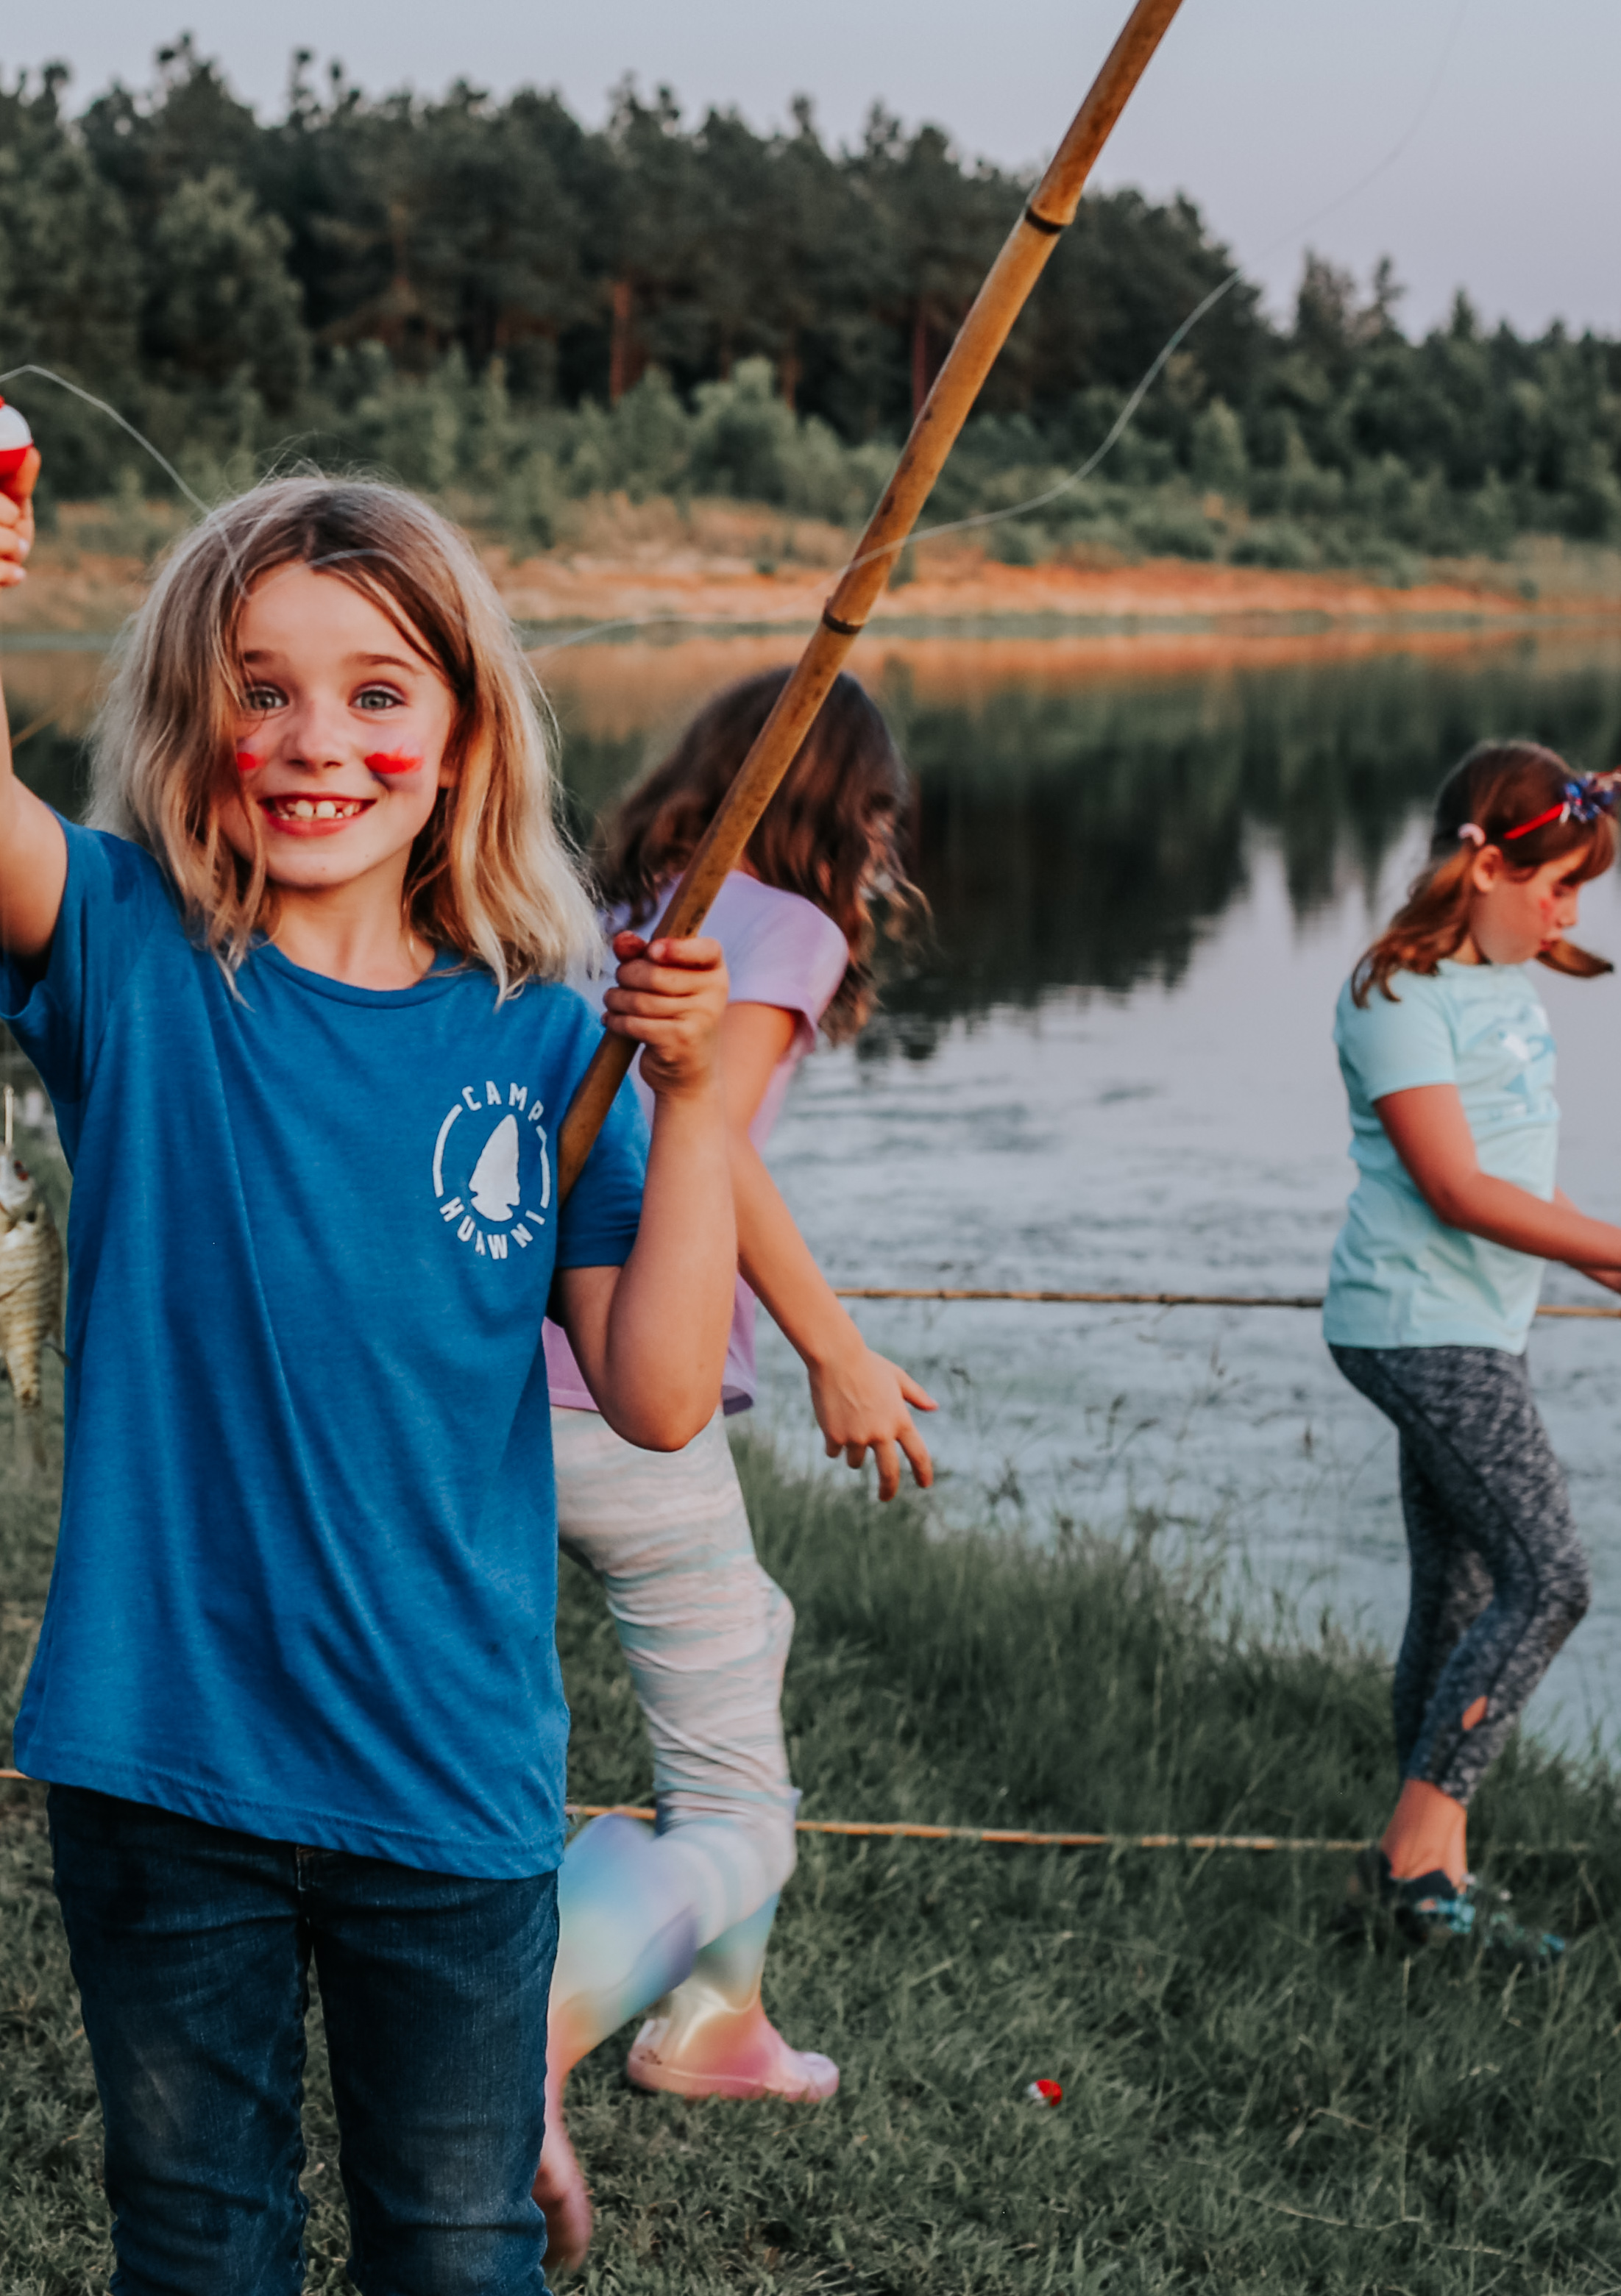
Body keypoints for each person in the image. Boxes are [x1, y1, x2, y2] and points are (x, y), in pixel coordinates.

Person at [0, 432, 742, 2296]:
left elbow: (664, 1389)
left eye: (375, 693)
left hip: (446, 1780)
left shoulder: (547, 1036)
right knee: (196, 2238)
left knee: (452, 2247)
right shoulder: (129, 950)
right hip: (161, 1758)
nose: (311, 740)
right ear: (193, 726)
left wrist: (688, 1105)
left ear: (460, 735)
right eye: (255, 692)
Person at [531, 668, 938, 2269]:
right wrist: (834, 1346)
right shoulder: (775, 926)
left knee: (745, 1630)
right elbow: (714, 1145)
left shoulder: (608, 906)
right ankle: (543, 2028)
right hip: (629, 1383)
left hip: (514, 1384)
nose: (889, 853)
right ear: (844, 808)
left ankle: (719, 2020)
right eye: (884, 818)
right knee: (737, 1808)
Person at [1329, 740, 1621, 1954]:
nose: (1568, 911)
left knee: (1465, 1590)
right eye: (1556, 883)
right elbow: (1457, 1189)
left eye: (1581, 889)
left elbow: (1523, 1181)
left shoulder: (1504, 999)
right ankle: (1414, 1861)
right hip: (1418, 1326)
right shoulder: (1393, 995)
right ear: (1480, 864)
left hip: (1470, 1327)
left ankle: (1425, 1883)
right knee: (1550, 1578)